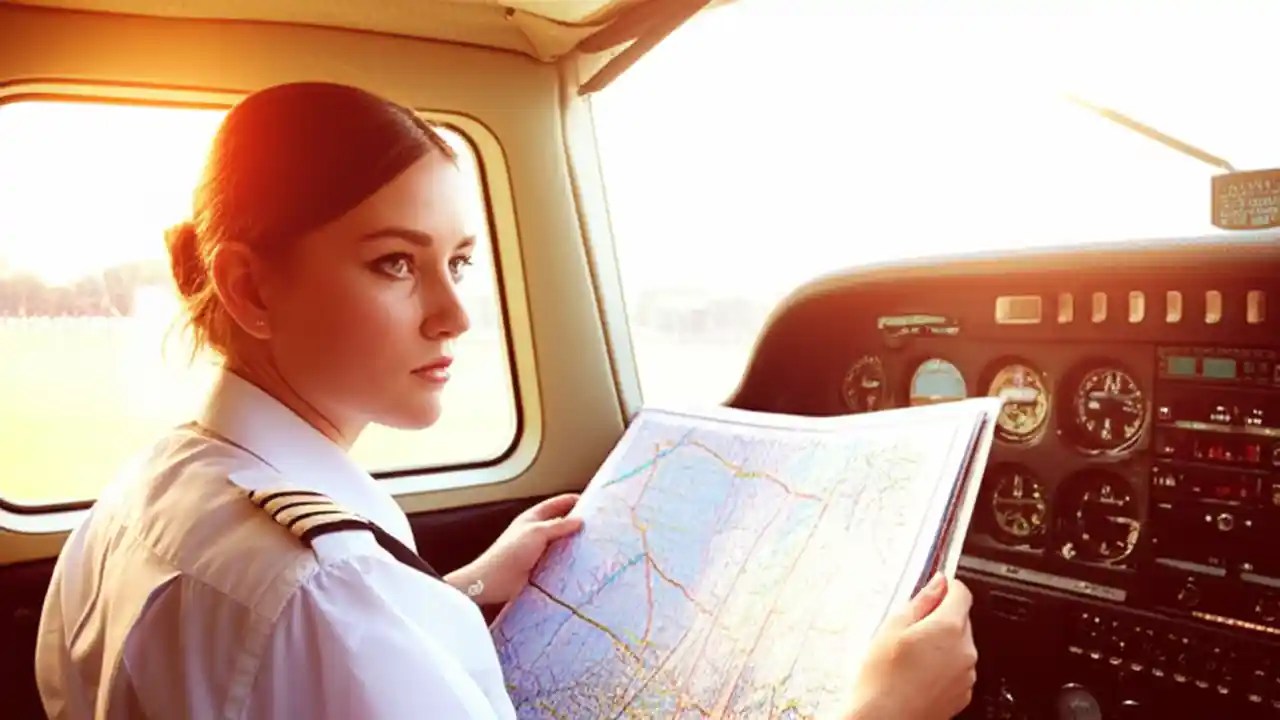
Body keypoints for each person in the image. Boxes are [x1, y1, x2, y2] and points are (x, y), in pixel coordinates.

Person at [34, 81, 977, 719]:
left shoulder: (152, 494)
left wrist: (460, 595)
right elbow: (312, 639)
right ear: (249, 289)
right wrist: (878, 711)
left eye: (457, 262)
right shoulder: (324, 592)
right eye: (393, 263)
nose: (452, 315)